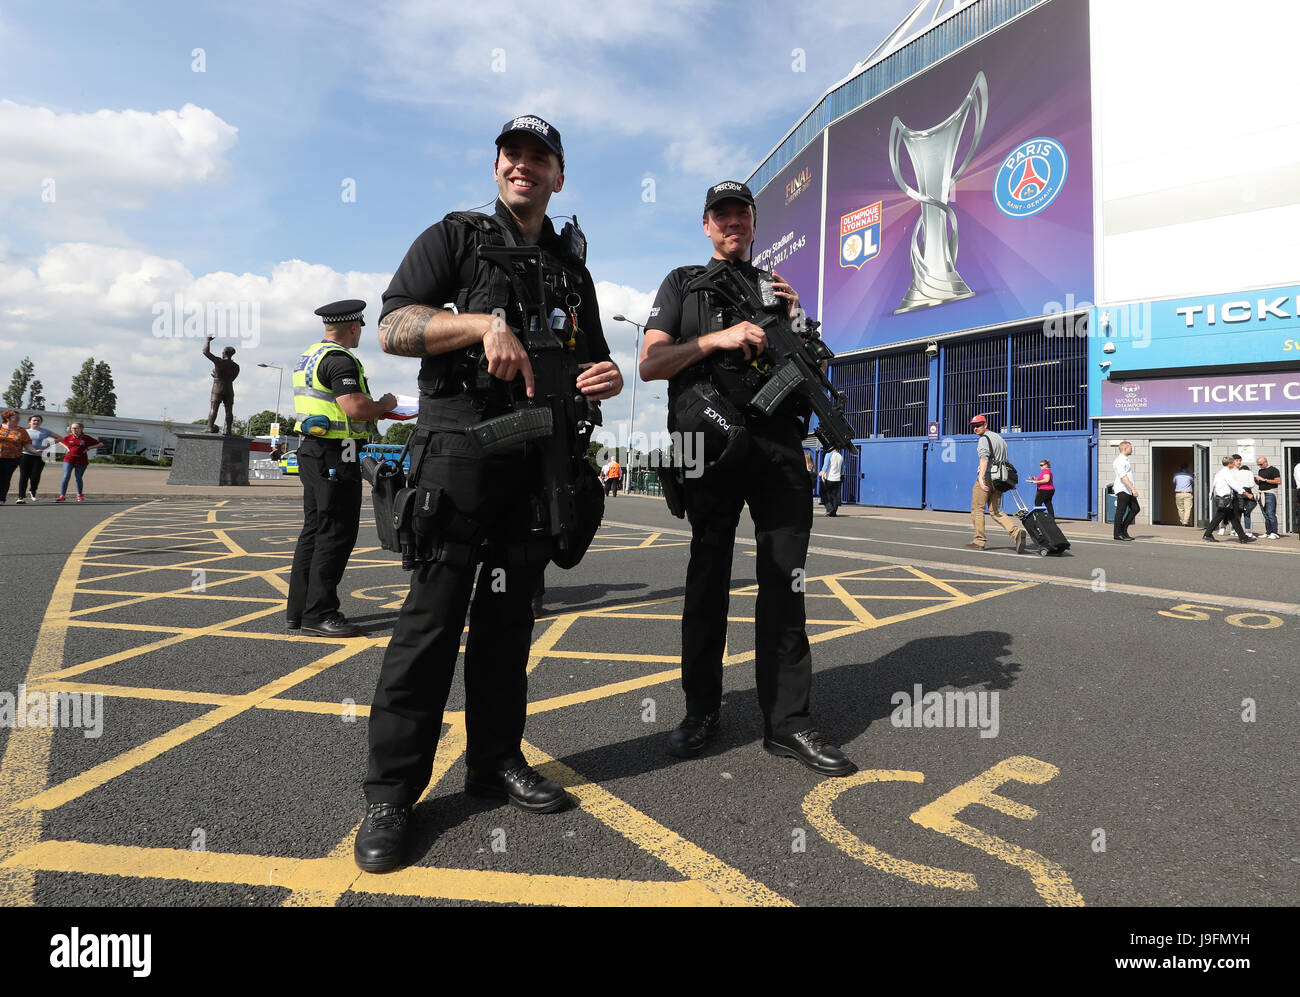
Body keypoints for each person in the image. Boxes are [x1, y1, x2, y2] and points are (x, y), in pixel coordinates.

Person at [355, 115, 622, 873]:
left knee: (509, 622)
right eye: (514, 155)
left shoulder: (573, 269)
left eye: (541, 158)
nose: (525, 167)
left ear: (558, 175)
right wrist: (479, 325)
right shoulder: (456, 237)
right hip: (460, 452)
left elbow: (593, 359)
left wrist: (608, 375)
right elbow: (393, 325)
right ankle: (391, 794)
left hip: (536, 462)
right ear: (497, 165)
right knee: (430, 623)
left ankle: (494, 760)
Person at [640, 179, 854, 777]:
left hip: (778, 448)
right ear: (707, 226)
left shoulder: (777, 288)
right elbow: (651, 363)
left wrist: (796, 319)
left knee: (787, 582)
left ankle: (788, 723)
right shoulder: (682, 282)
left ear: (755, 225)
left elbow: (809, 359)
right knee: (707, 577)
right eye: (721, 215)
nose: (732, 222)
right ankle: (701, 712)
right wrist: (718, 338)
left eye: (742, 214)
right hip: (709, 443)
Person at [286, 299, 397, 638]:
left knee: (315, 531)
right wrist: (386, 406)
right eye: (360, 326)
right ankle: (320, 613)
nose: (361, 331)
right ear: (353, 327)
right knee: (335, 533)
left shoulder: (310, 355)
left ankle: (300, 612)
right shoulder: (339, 360)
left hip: (315, 453)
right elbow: (354, 407)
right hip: (336, 455)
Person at [967, 414, 1028, 552]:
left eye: (978, 425)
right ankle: (1016, 532)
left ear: (985, 425)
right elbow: (1005, 460)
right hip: (999, 480)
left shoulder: (984, 439)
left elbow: (984, 460)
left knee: (977, 509)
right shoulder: (1000, 439)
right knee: (995, 511)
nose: (975, 429)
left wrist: (981, 479)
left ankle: (979, 541)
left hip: (987, 477)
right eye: (973, 426)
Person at [1203, 456, 1254, 543]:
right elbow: (1233, 484)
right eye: (1233, 462)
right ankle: (1207, 534)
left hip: (1222, 497)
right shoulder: (1226, 473)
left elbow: (1214, 484)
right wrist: (1245, 493)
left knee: (1233, 518)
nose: (1234, 463)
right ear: (1230, 463)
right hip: (1226, 498)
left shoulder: (1219, 472)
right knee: (1219, 517)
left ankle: (1242, 537)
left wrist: (1211, 495)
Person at [54, 422, 101, 502]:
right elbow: (60, 441)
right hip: (69, 460)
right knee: (66, 476)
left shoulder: (86, 438)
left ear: (81, 429)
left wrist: (88, 448)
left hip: (82, 461)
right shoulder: (69, 437)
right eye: (72, 428)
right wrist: (67, 447)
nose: (74, 430)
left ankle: (79, 495)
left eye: (76, 428)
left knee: (78, 478)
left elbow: (100, 444)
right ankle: (62, 496)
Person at [202, 337, 240, 435]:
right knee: (229, 410)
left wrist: (208, 340)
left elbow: (206, 352)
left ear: (224, 353)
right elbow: (232, 378)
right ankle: (228, 430)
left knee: (214, 408)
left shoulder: (220, 362)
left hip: (217, 388)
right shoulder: (236, 366)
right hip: (229, 388)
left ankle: (209, 427)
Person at [17, 414, 58, 503]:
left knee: (35, 476)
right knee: (24, 476)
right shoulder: (24, 431)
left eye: (38, 420)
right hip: (25, 455)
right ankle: (21, 497)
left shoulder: (45, 431)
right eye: (34, 420)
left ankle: (33, 491)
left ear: (41, 422)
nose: (36, 422)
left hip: (39, 456)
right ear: (29, 422)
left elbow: (60, 438)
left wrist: (48, 444)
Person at [0, 410, 31, 504]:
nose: (18, 418)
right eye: (15, 417)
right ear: (7, 418)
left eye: (19, 417)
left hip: (12, 459)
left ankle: (1, 499)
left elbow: (27, 444)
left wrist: (35, 451)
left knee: (5, 478)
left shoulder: (21, 431)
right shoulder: (0, 428)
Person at [1112, 441, 1139, 541]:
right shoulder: (1119, 461)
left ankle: (1123, 530)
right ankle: (1117, 534)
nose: (1132, 449)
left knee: (1135, 509)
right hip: (1123, 489)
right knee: (1120, 512)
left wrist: (1131, 489)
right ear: (1125, 448)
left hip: (1128, 489)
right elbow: (1123, 477)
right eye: (1130, 448)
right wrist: (1133, 488)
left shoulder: (1126, 460)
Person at [1252, 455, 1281, 539]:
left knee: (1270, 513)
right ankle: (1268, 532)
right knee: (1265, 514)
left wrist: (1264, 480)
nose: (1259, 466)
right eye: (1258, 464)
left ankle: (1274, 532)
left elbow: (1278, 481)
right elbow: (1261, 483)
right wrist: (1257, 481)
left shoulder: (1274, 470)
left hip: (1270, 493)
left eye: (1260, 464)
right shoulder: (1261, 471)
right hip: (1261, 493)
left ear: (1265, 462)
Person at [819, 447, 844, 516]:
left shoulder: (829, 454)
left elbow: (826, 465)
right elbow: (843, 468)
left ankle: (830, 509)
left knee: (824, 494)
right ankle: (834, 512)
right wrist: (841, 476)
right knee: (835, 496)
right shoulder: (840, 456)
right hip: (837, 479)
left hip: (829, 478)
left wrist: (822, 474)